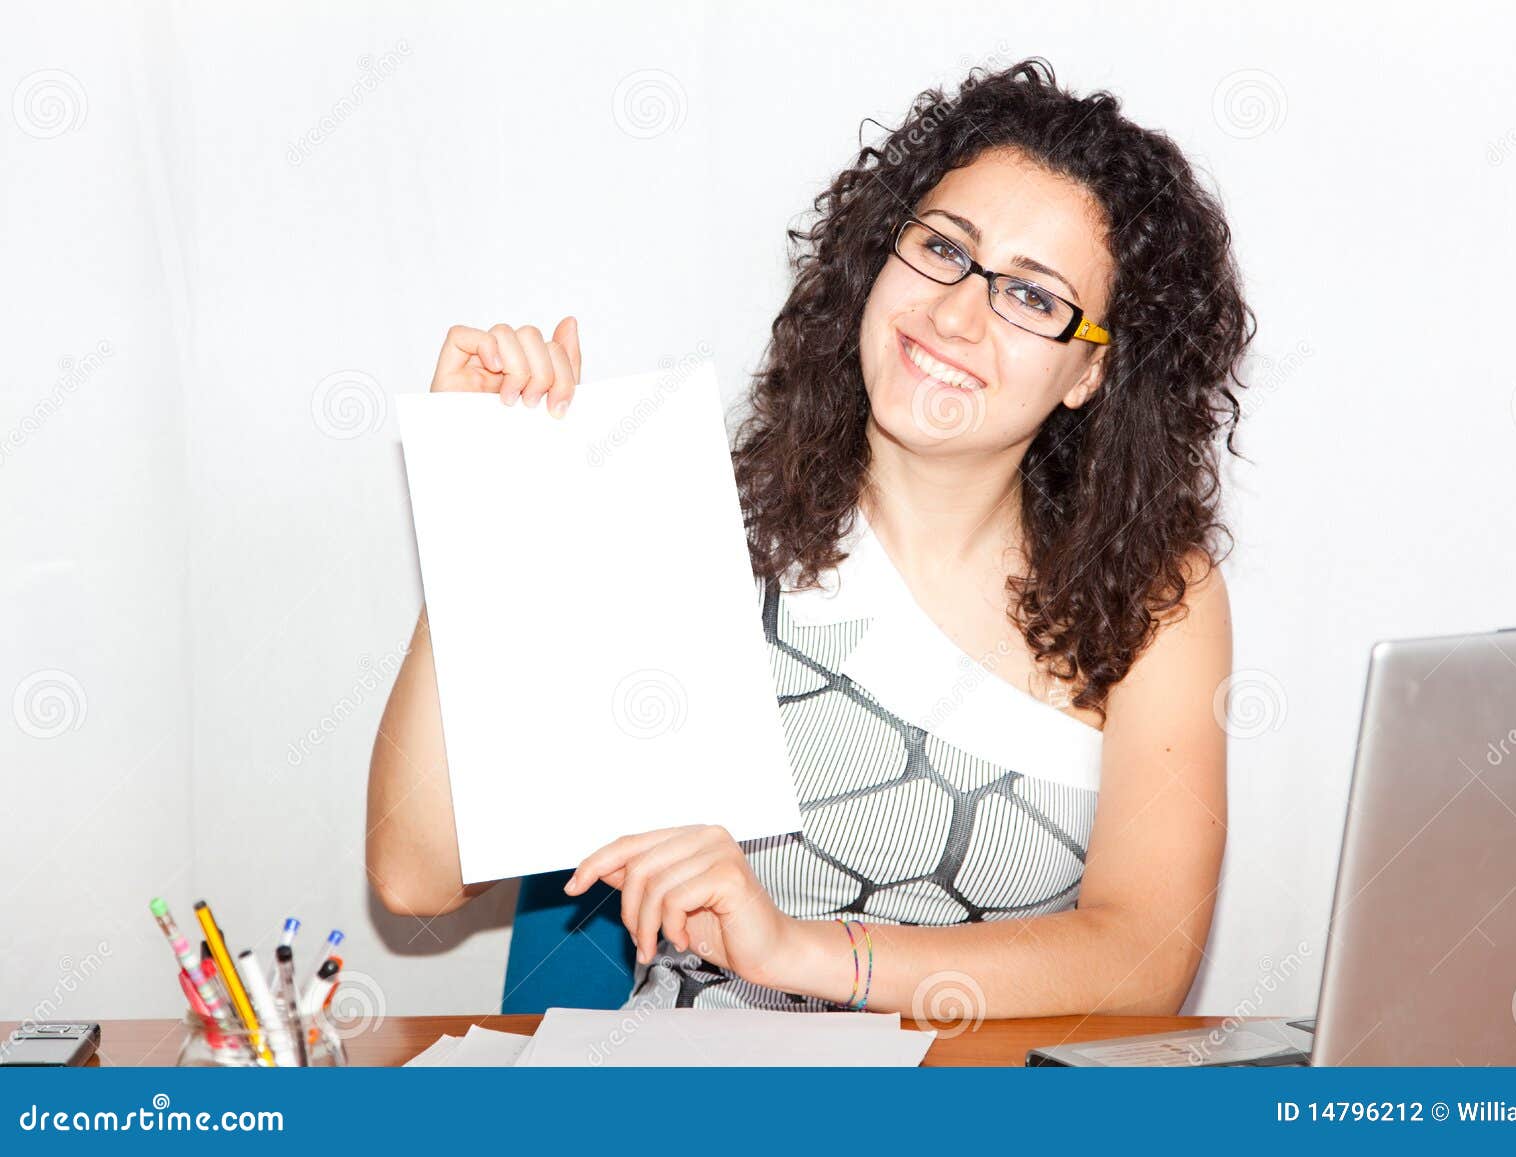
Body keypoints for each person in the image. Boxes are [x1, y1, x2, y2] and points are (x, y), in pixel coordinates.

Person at [367, 58, 1252, 1020]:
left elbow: (1142, 958)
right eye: (944, 249)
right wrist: (481, 504)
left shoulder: (1158, 597)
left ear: (1091, 373)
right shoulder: (688, 518)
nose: (956, 314)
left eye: (1034, 297)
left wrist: (797, 950)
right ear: (880, 256)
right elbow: (418, 874)